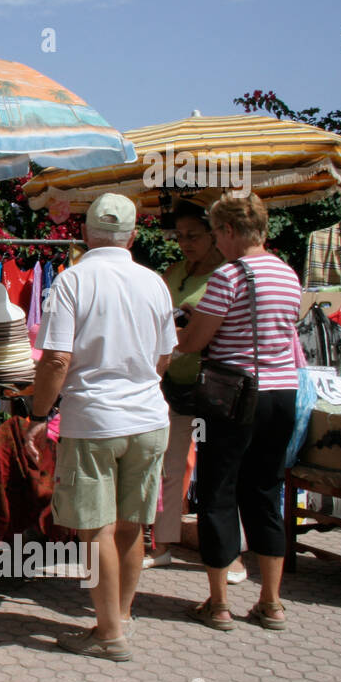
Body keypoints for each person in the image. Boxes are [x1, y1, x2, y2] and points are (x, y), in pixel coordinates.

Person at [25, 193, 177, 661]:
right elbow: (165, 355)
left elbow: (56, 359)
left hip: (95, 419)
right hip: (149, 418)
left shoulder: (73, 280)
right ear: (133, 236)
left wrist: (36, 415)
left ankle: (110, 633)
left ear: (86, 233)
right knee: (133, 527)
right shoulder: (155, 283)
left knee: (96, 530)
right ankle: (118, 620)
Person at [175, 193, 301, 631]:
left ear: (227, 231)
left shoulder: (229, 275)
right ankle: (271, 602)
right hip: (282, 394)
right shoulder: (287, 273)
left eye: (215, 234)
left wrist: (183, 327)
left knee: (218, 492)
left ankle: (219, 602)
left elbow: (193, 343)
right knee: (265, 493)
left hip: (230, 396)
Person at [144, 202, 247, 583]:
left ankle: (231, 556)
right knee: (169, 467)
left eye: (194, 235)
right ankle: (164, 545)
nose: (184, 243)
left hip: (218, 385)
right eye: (180, 236)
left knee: (221, 474)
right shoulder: (174, 272)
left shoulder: (228, 276)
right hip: (173, 383)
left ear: (214, 236)